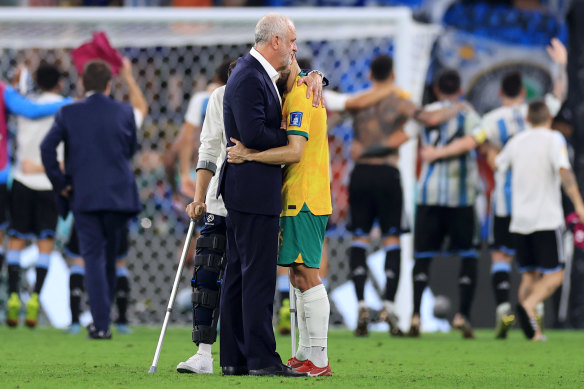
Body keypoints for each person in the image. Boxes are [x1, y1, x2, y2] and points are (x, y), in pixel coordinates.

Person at [420, 39, 567, 339]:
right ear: (524, 94)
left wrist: (440, 153)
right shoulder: (536, 113)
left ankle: (503, 308)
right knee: (533, 266)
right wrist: (561, 64)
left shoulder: (491, 119)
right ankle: (532, 313)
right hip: (535, 203)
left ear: (501, 93)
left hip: (503, 201)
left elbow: (473, 141)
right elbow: (559, 95)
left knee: (501, 257)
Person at [218, 13, 324, 377]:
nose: (295, 48)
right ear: (275, 41)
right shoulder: (249, 76)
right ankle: (262, 360)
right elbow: (253, 133)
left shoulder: (255, 73)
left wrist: (315, 76)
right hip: (252, 189)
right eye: (292, 41)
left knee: (238, 275)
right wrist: (294, 138)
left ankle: (234, 359)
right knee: (258, 276)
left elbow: (298, 81)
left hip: (245, 188)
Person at [345, 55, 468, 337]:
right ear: (393, 73)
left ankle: (362, 304)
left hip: (360, 175)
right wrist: (457, 106)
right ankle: (388, 305)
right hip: (388, 175)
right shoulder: (398, 102)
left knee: (359, 238)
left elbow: (334, 114)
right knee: (392, 239)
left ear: (370, 75)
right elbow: (431, 118)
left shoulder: (358, 102)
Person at [41, 58, 147, 339]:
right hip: (120, 195)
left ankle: (101, 324)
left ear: (82, 83)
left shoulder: (68, 112)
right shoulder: (125, 112)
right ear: (110, 85)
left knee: (94, 258)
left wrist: (61, 184)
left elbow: (46, 148)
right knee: (112, 257)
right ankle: (106, 317)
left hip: (85, 195)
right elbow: (130, 149)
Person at [388, 69, 481, 338]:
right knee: (468, 255)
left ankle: (416, 316)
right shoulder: (468, 113)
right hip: (462, 196)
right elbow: (477, 140)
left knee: (423, 257)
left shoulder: (426, 112)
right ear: (459, 89)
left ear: (438, 90)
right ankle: (463, 315)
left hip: (428, 195)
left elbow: (403, 137)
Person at [494, 101, 584, 341]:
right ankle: (529, 305)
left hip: (519, 220)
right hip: (546, 218)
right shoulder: (554, 139)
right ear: (549, 117)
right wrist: (579, 204)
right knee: (555, 276)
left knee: (529, 276)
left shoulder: (516, 142)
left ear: (527, 118)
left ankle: (534, 332)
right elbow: (564, 171)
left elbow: (498, 164)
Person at [2, 65, 74, 327]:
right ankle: (34, 298)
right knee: (45, 243)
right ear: (58, 83)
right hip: (49, 183)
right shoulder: (67, 110)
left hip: (21, 180)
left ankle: (12, 296)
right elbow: (67, 156)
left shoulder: (23, 106)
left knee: (16, 240)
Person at [63, 224, 132, 335]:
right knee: (118, 265)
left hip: (87, 215)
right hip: (115, 216)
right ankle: (121, 322)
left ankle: (75, 322)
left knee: (79, 262)